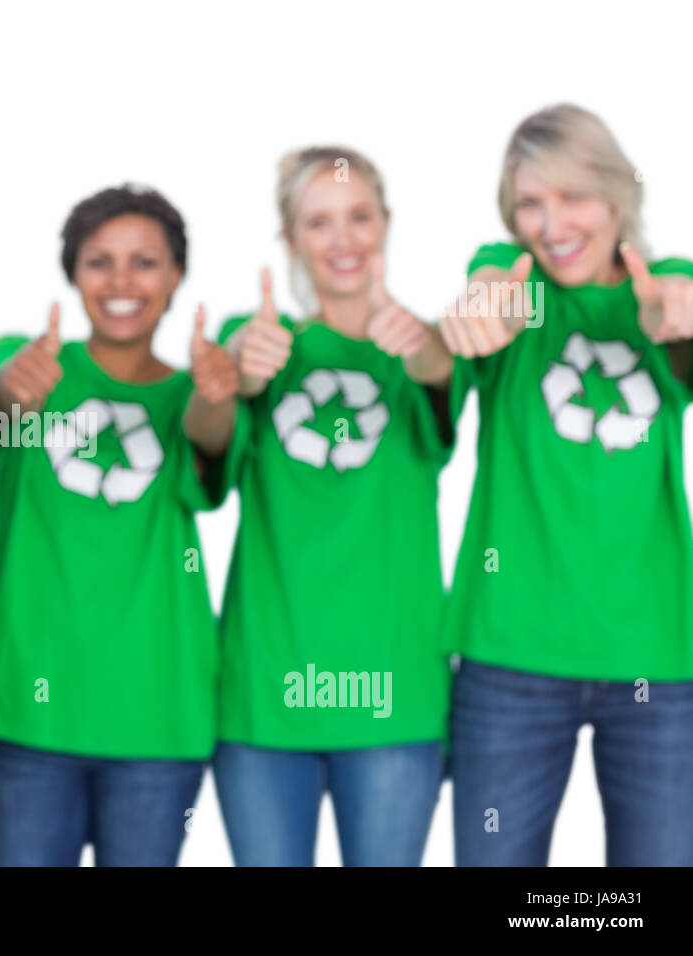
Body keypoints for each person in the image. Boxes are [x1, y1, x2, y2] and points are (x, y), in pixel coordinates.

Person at [439, 104, 693, 867]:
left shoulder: (667, 289)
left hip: (659, 661)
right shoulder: (514, 286)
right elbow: (491, 284)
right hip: (511, 656)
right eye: (530, 203)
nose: (552, 224)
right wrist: (483, 304)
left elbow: (685, 340)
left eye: (574, 195)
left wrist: (676, 325)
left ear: (618, 199)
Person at [190, 146, 455, 866]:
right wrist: (231, 379)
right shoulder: (261, 347)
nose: (343, 240)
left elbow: (441, 384)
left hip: (392, 698)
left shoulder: (427, 348)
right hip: (267, 697)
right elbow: (207, 446)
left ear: (388, 223)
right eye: (319, 222)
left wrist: (428, 350)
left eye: (359, 217)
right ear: (290, 239)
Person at [0, 184, 247, 866]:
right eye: (100, 261)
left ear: (177, 275)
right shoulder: (26, 362)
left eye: (145, 262)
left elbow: (210, 445)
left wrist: (218, 396)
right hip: (33, 708)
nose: (122, 281)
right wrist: (13, 386)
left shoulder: (194, 389)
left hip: (158, 715)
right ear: (72, 273)